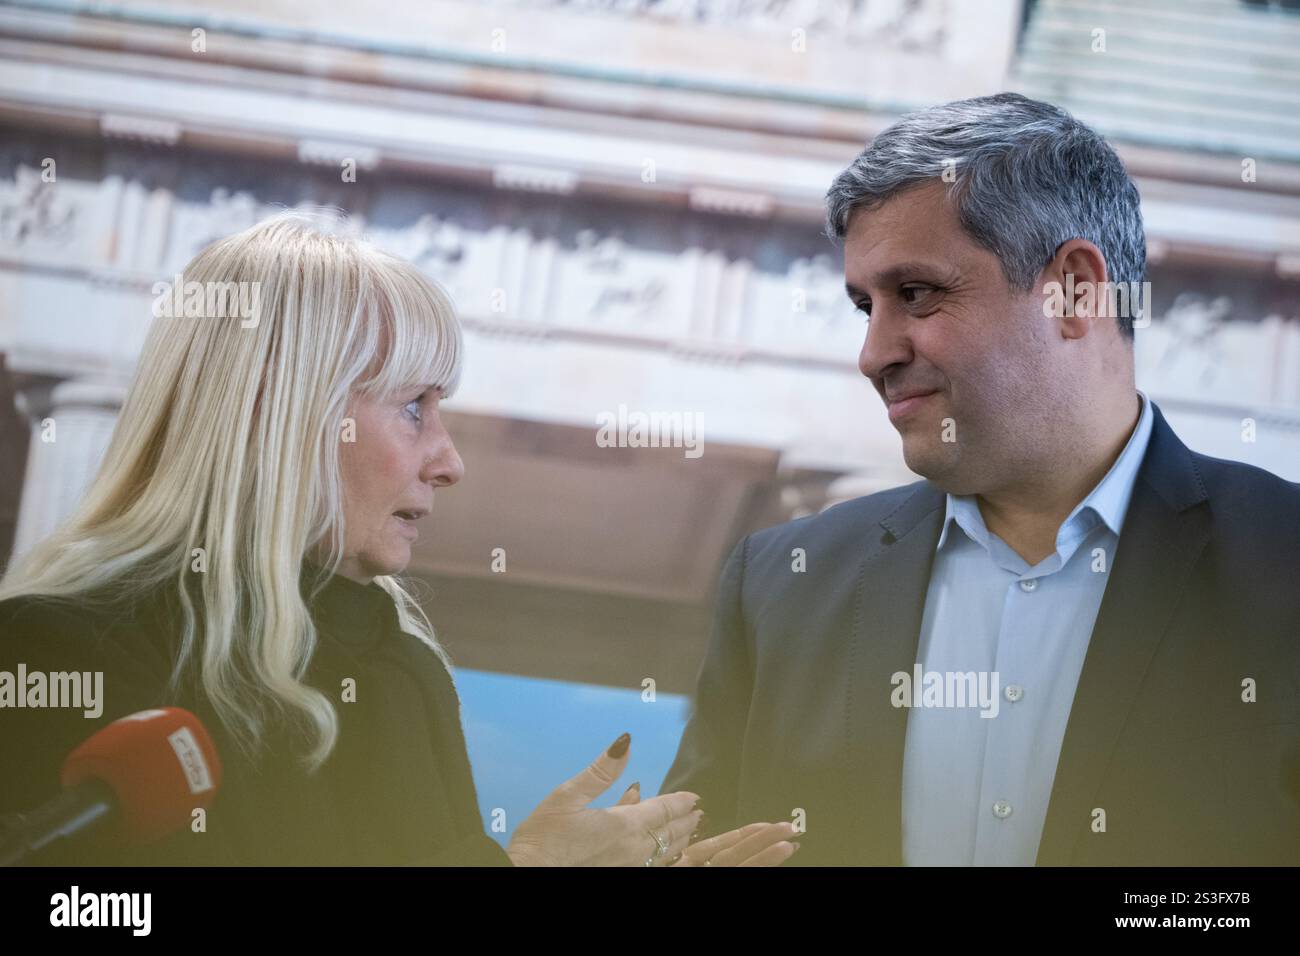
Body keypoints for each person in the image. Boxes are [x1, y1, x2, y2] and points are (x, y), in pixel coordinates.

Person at [0, 213, 798, 867]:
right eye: (414, 405)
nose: (449, 462)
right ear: (285, 411)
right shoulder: (52, 654)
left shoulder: (403, 672)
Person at [661, 93, 1300, 866]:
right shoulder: (780, 586)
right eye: (865, 305)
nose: (873, 354)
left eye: (917, 294)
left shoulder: (1283, 564)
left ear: (1072, 288)